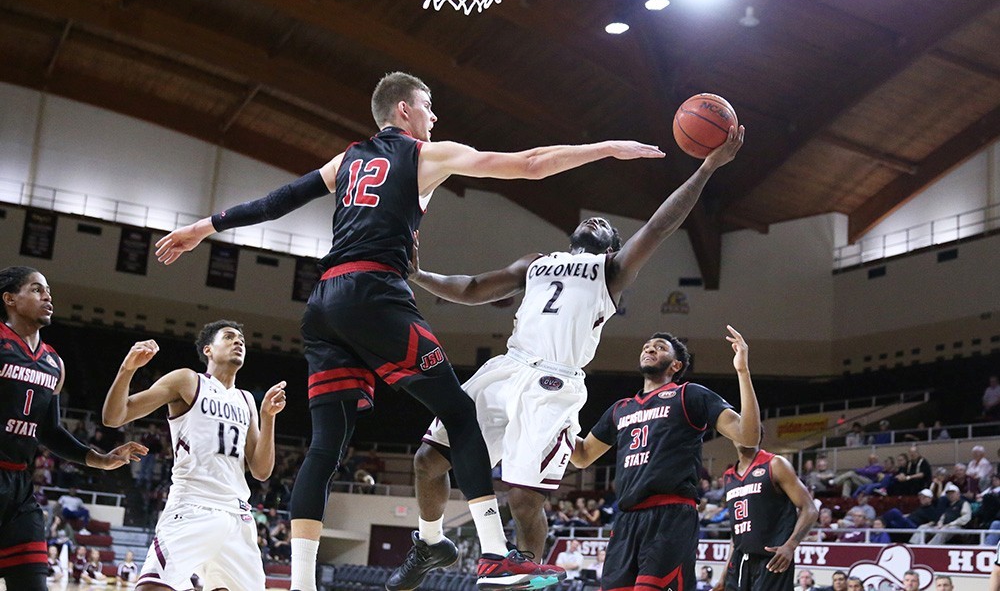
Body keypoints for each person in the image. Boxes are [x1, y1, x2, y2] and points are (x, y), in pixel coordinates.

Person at [153, 71, 665, 591]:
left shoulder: (347, 159)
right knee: (460, 411)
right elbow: (529, 165)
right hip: (374, 293)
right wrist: (605, 148)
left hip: (323, 301)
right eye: (428, 106)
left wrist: (203, 227)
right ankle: (492, 553)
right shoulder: (425, 155)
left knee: (325, 447)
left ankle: (303, 583)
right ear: (403, 110)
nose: (434, 116)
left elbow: (278, 200)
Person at [394, 125, 744, 586]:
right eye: (592, 222)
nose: (597, 222)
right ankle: (431, 543)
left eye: (608, 228)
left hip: (553, 384)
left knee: (522, 497)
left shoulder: (611, 272)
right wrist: (419, 275)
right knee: (427, 460)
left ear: (614, 247)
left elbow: (660, 224)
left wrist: (707, 167)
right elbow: (474, 288)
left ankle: (528, 575)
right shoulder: (537, 262)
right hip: (506, 368)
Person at [570, 326, 761, 591]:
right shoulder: (620, 409)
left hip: (670, 515)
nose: (650, 349)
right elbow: (581, 456)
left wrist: (742, 371)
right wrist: (555, 420)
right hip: (626, 521)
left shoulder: (690, 395)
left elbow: (749, 436)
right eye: (647, 346)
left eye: (659, 347)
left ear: (675, 365)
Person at [101, 321, 288, 591]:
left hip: (237, 515)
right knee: (152, 587)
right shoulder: (187, 381)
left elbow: (261, 471)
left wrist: (267, 417)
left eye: (242, 340)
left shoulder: (246, 400)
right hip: (192, 505)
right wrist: (127, 369)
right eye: (229, 337)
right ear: (208, 349)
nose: (239, 342)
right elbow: (113, 416)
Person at [0, 266, 147, 591]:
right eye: (36, 289)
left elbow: (50, 431)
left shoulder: (54, 362)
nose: (47, 296)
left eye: (48, 289)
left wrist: (102, 459)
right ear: (10, 298)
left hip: (20, 490)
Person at [716, 430, 818, 591]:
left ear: (757, 435)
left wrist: (791, 545)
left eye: (747, 429)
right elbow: (736, 534)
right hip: (739, 562)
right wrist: (723, 576)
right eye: (737, 430)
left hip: (772, 561)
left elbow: (810, 508)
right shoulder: (729, 477)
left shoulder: (775, 464)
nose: (740, 434)